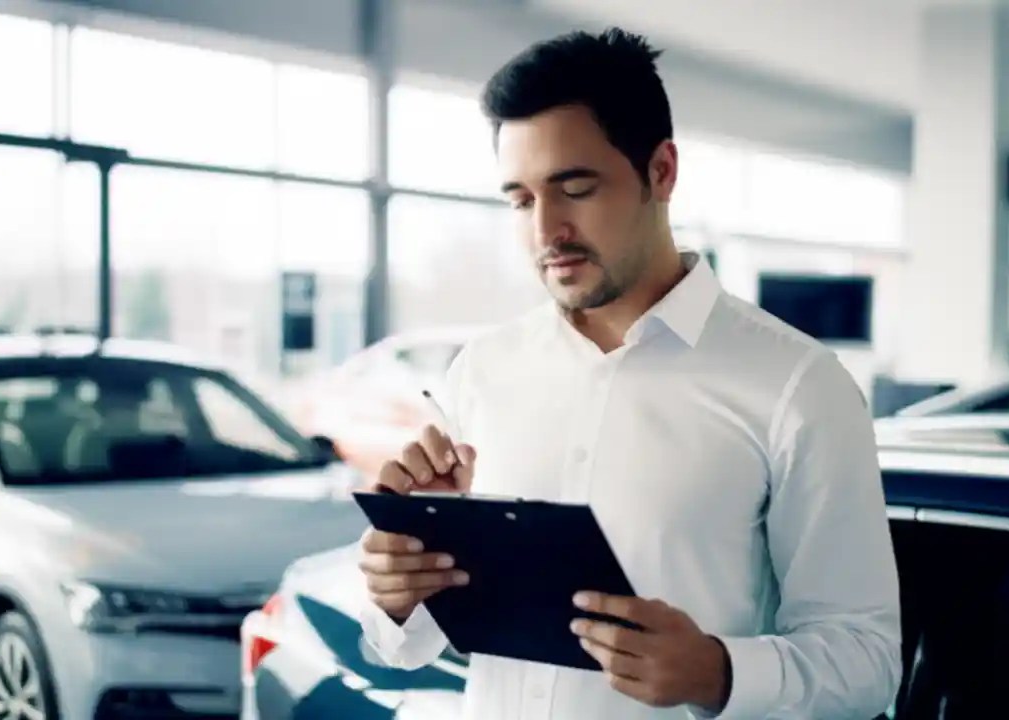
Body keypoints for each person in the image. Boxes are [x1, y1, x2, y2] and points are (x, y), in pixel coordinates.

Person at [357, 28, 901, 719]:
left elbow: (869, 664)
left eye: (575, 188)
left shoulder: (798, 387)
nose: (545, 230)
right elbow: (406, 644)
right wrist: (398, 592)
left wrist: (718, 672)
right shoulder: (483, 372)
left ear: (661, 172)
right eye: (521, 200)